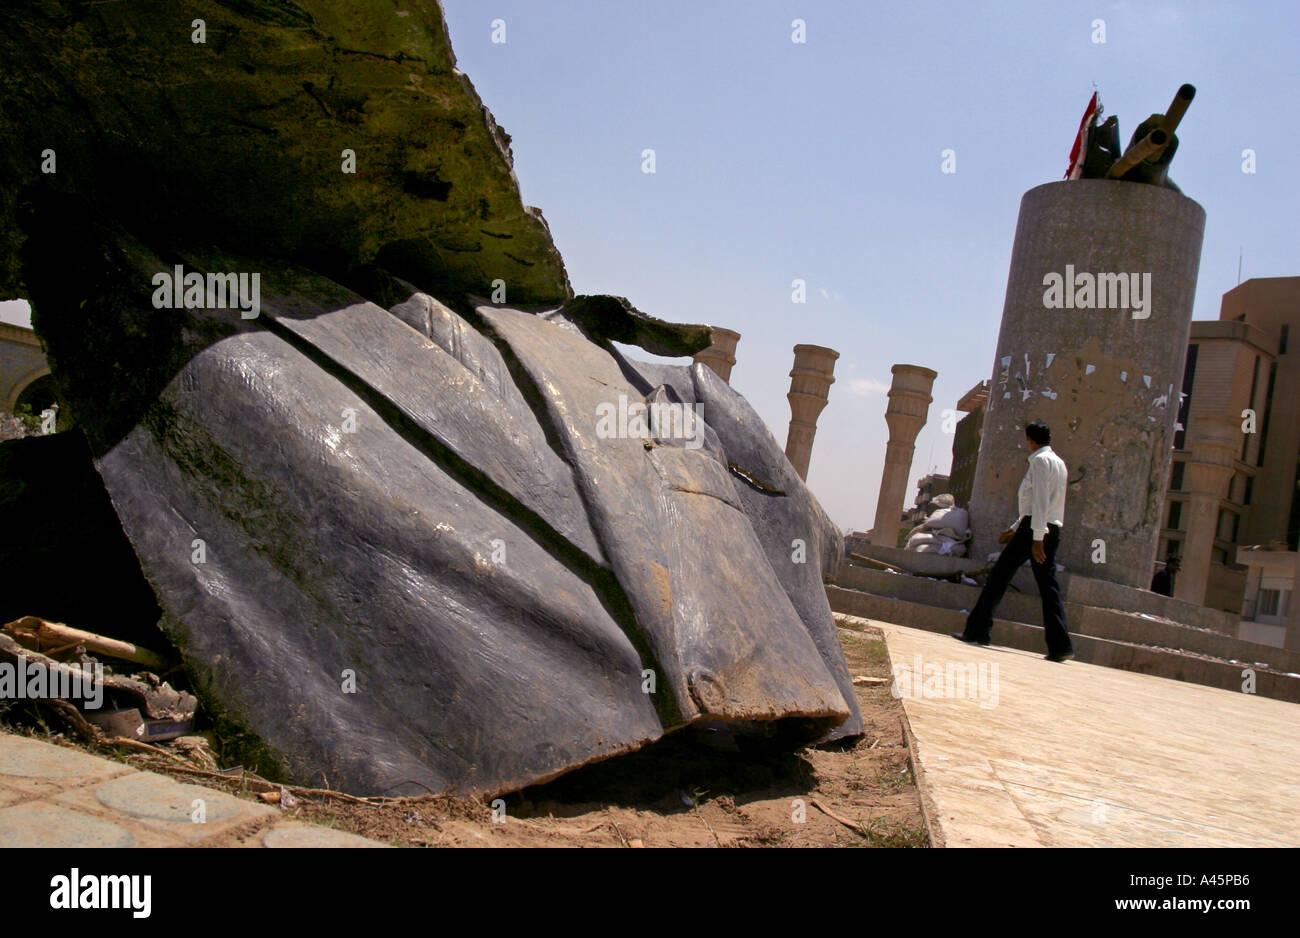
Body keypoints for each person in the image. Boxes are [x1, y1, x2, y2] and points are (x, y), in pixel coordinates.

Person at [953, 420, 1074, 662]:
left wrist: (1036, 538)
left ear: (1030, 440)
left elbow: (1039, 501)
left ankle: (977, 631)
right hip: (1046, 528)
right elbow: (1043, 505)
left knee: (999, 577)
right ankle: (1060, 645)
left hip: (1035, 531)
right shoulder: (1059, 463)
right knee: (1049, 589)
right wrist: (1015, 528)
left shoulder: (1040, 461)